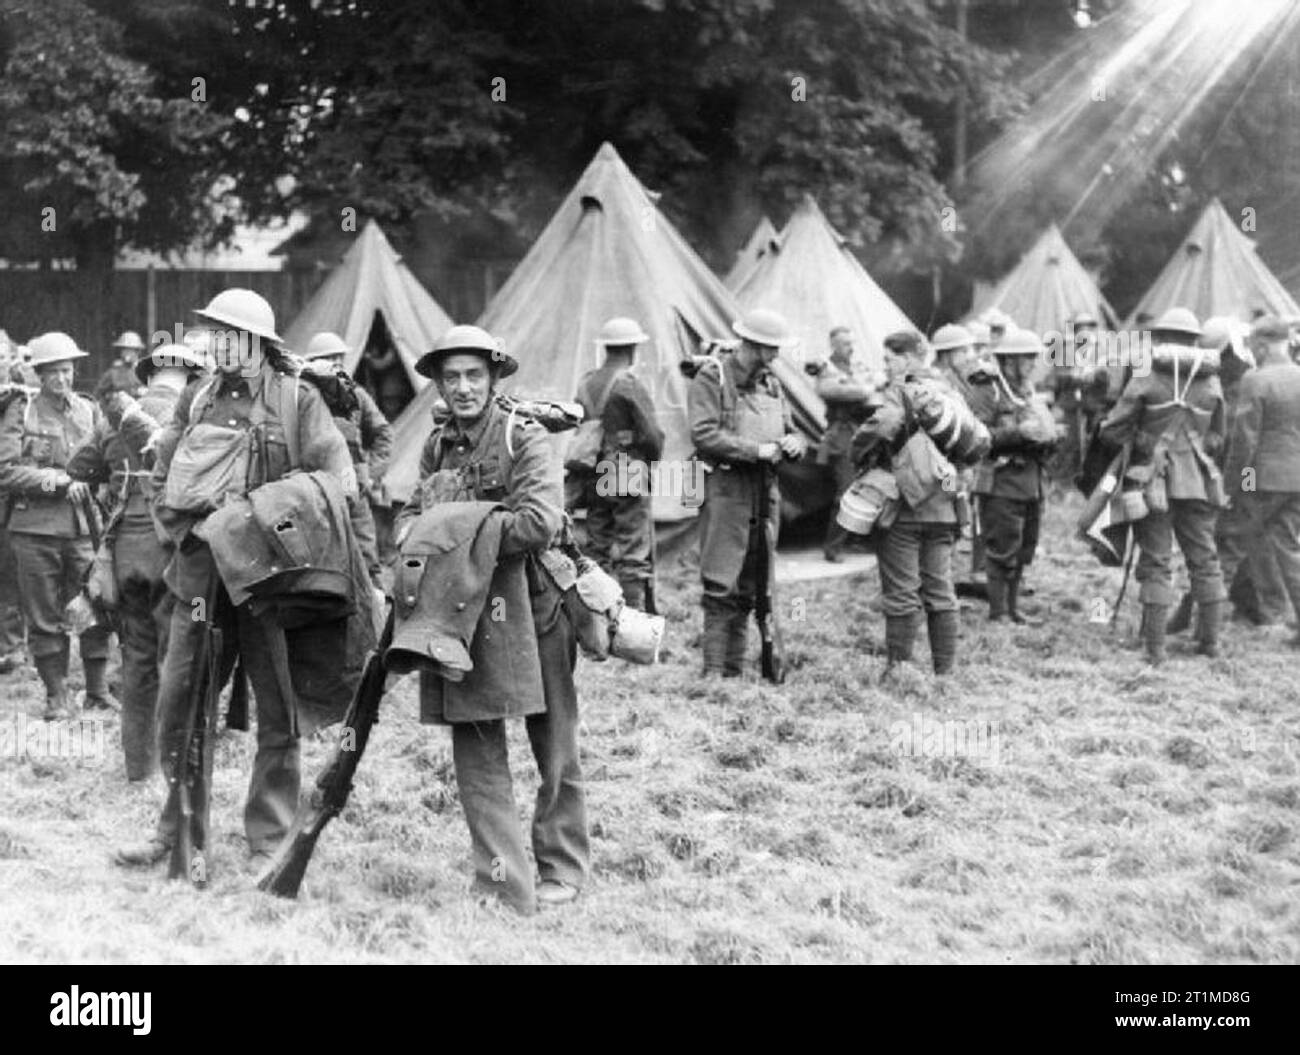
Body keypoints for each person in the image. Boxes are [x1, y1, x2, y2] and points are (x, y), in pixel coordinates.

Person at [114, 288, 359, 868]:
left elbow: (340, 481)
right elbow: (162, 471)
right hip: (201, 576)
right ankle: (176, 830)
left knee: (278, 706)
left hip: (271, 578)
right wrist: (187, 529)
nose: (219, 345)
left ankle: (269, 838)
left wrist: (257, 514)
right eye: (214, 333)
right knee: (182, 701)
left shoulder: (297, 400)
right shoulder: (197, 398)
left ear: (257, 343)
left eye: (230, 335)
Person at [397, 324, 588, 913]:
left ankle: (562, 865)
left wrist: (455, 529)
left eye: (473, 375)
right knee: (477, 750)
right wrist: (416, 532)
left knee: (553, 743)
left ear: (494, 377)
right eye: (449, 377)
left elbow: (539, 523)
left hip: (536, 607)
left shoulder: (522, 437)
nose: (462, 388)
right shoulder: (436, 446)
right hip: (465, 615)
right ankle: (503, 882)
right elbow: (411, 514)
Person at [66, 343, 210, 781]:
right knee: (179, 662)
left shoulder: (117, 420)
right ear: (189, 380)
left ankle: (137, 769)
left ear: (148, 378)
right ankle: (176, 770)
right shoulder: (193, 418)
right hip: (176, 555)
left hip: (125, 555)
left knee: (137, 660)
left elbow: (78, 466)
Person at [1098, 307, 1227, 664]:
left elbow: (1113, 430)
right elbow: (1219, 437)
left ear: (1160, 338)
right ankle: (1211, 645)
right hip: (1200, 483)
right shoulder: (1212, 380)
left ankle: (1155, 650)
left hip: (1151, 483)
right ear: (1193, 339)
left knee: (1156, 562)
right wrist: (1195, 446)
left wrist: (1141, 440)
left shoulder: (1146, 374)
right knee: (1205, 559)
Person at [688, 308, 807, 677]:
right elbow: (704, 434)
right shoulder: (712, 377)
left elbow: (792, 429)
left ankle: (735, 671)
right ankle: (713, 673)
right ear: (752, 345)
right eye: (770, 349)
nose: (775, 357)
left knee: (753, 585)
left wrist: (793, 443)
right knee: (721, 581)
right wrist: (755, 451)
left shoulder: (771, 382)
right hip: (726, 489)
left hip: (764, 490)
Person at [0, 332, 112, 717]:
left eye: (66, 371)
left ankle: (97, 690)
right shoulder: (23, 409)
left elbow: (106, 462)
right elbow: (6, 470)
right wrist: (58, 481)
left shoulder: (89, 410)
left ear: (74, 370)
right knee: (44, 614)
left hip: (84, 529)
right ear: (39, 374)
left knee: (97, 605)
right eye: (52, 373)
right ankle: (56, 695)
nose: (61, 380)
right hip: (34, 530)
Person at [851, 330, 973, 676]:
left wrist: (858, 452)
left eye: (888, 359)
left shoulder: (903, 388)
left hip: (904, 505)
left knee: (902, 591)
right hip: (946, 505)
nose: (886, 366)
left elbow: (882, 426)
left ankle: (900, 672)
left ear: (906, 358)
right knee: (940, 588)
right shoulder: (951, 390)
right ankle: (944, 673)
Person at [570, 317, 664, 608]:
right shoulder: (628, 384)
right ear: (633, 349)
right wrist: (650, 460)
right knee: (634, 547)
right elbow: (651, 434)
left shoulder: (586, 383)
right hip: (625, 468)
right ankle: (633, 620)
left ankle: (598, 614)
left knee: (597, 547)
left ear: (606, 348)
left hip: (592, 472)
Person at [970, 327, 1059, 623]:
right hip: (1001, 481)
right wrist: (1017, 433)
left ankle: (1013, 607)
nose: (1033, 364)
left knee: (1023, 548)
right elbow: (976, 436)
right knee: (1002, 548)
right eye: (1027, 359)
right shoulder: (988, 390)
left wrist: (1050, 435)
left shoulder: (1027, 391)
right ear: (1009, 361)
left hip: (1031, 481)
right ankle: (998, 612)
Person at [1224, 315, 1300, 647]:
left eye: (1254, 347)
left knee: (1253, 537)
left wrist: (1236, 484)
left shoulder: (1256, 380)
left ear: (1263, 345)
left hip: (1261, 477)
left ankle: (1271, 613)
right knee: (1288, 546)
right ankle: (1262, 607)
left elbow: (1245, 441)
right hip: (1296, 477)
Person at [301, 331, 393, 588]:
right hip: (317, 486)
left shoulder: (356, 396)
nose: (333, 364)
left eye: (337, 359)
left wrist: (372, 474)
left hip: (353, 484)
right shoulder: (303, 398)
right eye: (325, 359)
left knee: (364, 551)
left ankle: (375, 602)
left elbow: (383, 433)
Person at [807, 326, 876, 562]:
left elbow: (874, 382)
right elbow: (830, 390)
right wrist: (864, 389)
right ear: (834, 345)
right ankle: (833, 547)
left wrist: (863, 387)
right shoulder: (825, 369)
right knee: (846, 492)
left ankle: (855, 539)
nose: (851, 347)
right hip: (841, 438)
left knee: (866, 490)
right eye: (845, 343)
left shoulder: (855, 367)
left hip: (861, 436)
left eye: (852, 342)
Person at [95, 331, 147, 400]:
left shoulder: (145, 371)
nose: (127, 353)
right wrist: (114, 396)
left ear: (138, 352)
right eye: (124, 350)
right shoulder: (113, 373)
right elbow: (98, 394)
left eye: (130, 350)